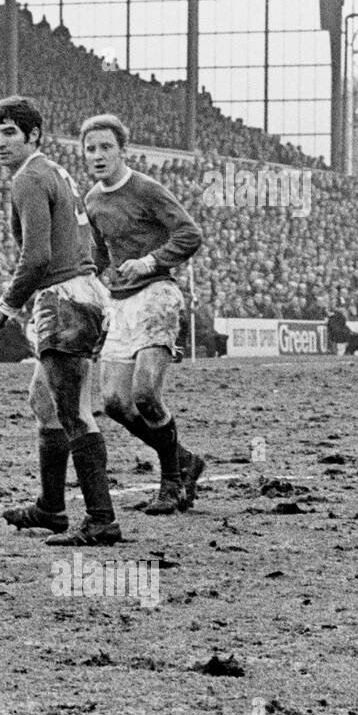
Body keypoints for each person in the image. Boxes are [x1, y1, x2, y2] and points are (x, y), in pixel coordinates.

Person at [0, 96, 118, 546]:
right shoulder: (55, 171)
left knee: (73, 413)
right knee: (44, 404)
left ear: (33, 135)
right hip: (81, 292)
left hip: (61, 298)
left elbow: (36, 256)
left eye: (9, 133)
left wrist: (6, 305)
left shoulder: (29, 177)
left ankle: (101, 520)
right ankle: (51, 507)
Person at [81, 113, 205, 515]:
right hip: (121, 302)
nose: (98, 156)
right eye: (90, 149)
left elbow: (189, 233)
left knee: (146, 395)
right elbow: (101, 252)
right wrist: (94, 278)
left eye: (106, 148)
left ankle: (172, 483)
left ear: (123, 151)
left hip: (156, 295)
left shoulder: (147, 189)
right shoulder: (93, 200)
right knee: (116, 402)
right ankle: (184, 460)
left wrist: (150, 261)